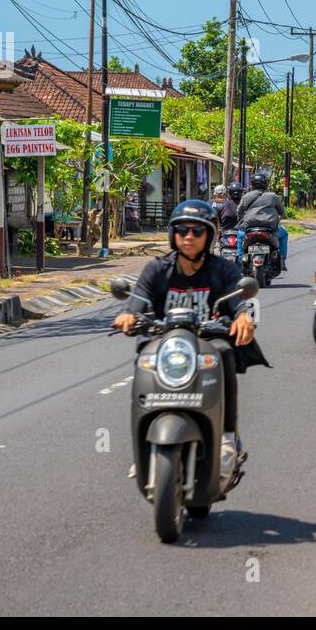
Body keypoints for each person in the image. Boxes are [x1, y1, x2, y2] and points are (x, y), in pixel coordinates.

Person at [112, 198, 267, 461]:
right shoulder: (157, 269)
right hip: (164, 341)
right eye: (182, 230)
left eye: (197, 231)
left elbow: (240, 300)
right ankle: (141, 452)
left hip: (208, 341)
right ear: (173, 234)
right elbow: (137, 300)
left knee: (225, 352)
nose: (189, 236)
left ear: (209, 235)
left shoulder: (222, 269)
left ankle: (228, 437)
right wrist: (127, 315)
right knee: (143, 360)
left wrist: (244, 318)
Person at [236, 173, 288, 271]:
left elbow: (239, 211)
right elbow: (282, 211)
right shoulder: (273, 196)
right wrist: (281, 217)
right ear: (266, 184)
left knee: (239, 235)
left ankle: (239, 260)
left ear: (252, 184)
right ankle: (283, 259)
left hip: (249, 228)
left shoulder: (246, 196)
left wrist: (240, 219)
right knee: (284, 234)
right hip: (270, 229)